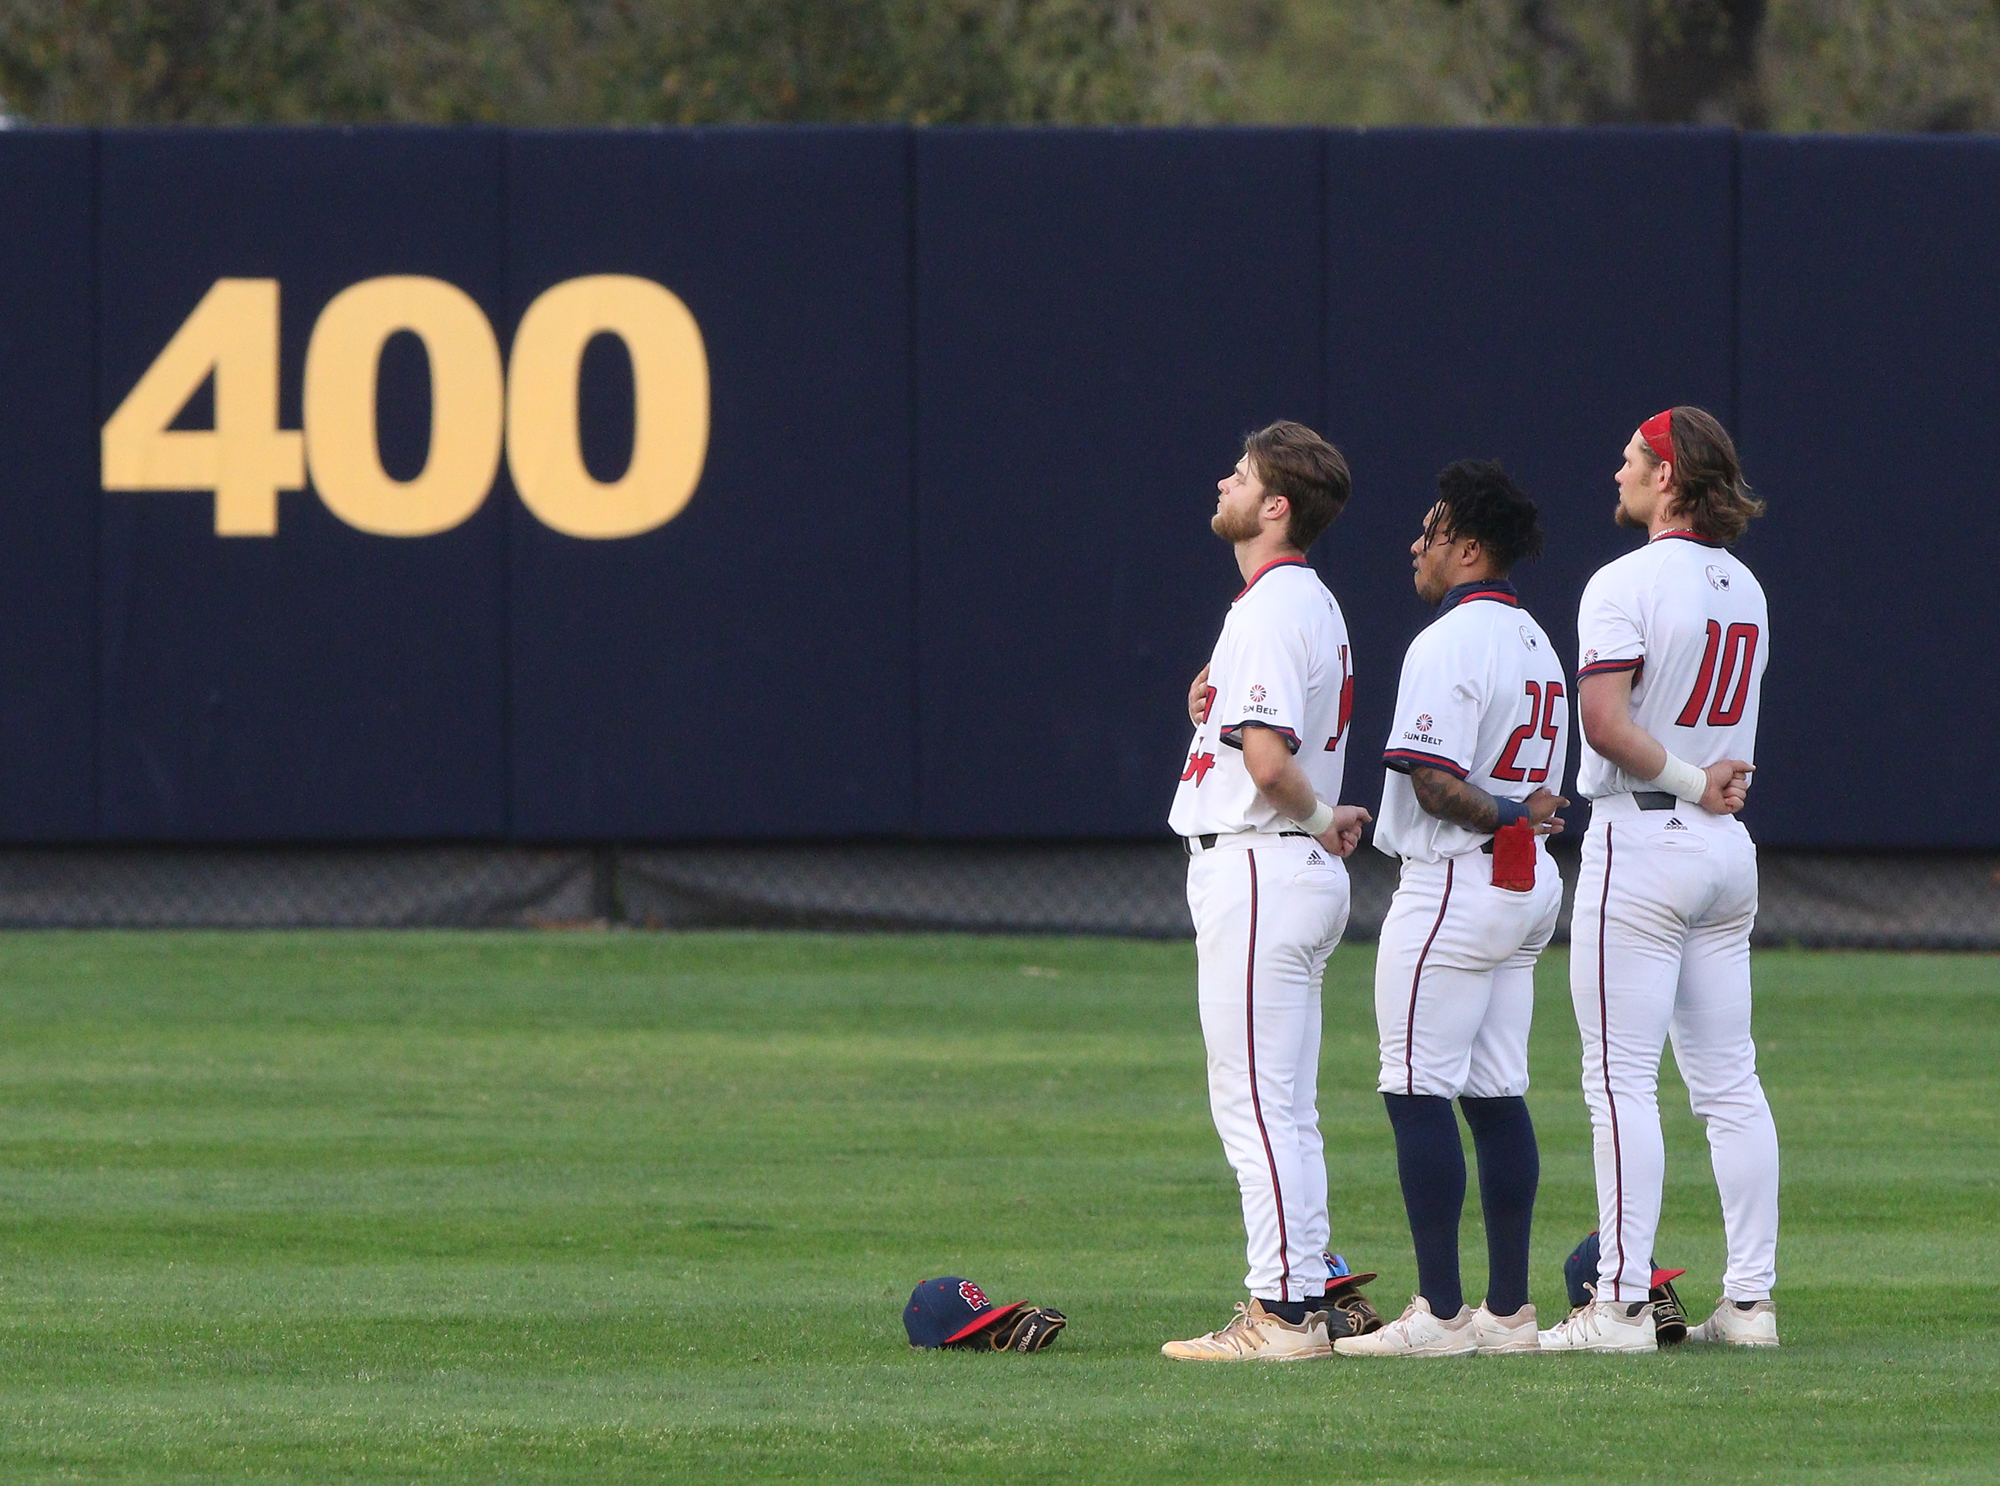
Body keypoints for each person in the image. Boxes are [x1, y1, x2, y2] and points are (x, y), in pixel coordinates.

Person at [1538, 406, 1778, 1353]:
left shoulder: (1622, 581)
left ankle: (1621, 1305)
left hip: (1647, 840)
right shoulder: (1748, 586)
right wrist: (1702, 783)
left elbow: (1605, 723)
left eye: (1633, 459)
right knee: (1729, 1083)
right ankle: (1750, 1304)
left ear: (1669, 477)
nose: (1618, 471)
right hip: (1726, 852)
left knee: (1619, 1083)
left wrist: (1685, 778)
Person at [1333, 461, 1570, 1359]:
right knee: (1498, 1092)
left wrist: (1504, 811)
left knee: (1412, 1087)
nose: (1415, 544)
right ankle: (1509, 1315)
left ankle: (1437, 1316)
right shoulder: (1537, 640)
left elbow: (1433, 784)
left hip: (1458, 881)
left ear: (1469, 547)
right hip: (1525, 883)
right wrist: (1518, 814)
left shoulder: (1449, 641)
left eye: (1429, 530)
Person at [1161, 421, 1374, 1362]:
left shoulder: (1274, 605)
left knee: (1254, 1101)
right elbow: (1248, 736)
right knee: (1280, 1101)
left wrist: (1320, 813)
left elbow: (1268, 758)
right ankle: (1314, 1287)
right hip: (1278, 866)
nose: (1225, 481)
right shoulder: (1294, 602)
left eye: (1241, 474)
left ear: (1275, 506)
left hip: (1262, 860)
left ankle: (1281, 1313)